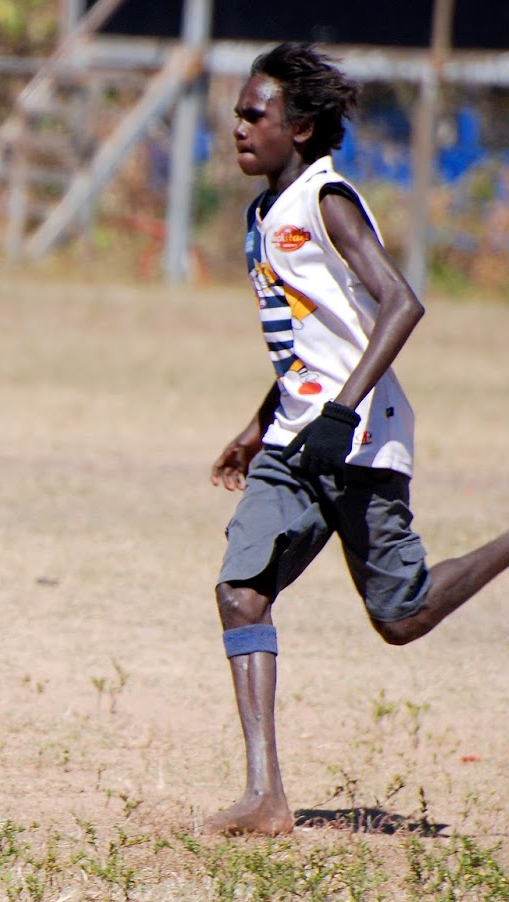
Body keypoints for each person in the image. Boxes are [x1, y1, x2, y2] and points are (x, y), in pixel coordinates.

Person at [205, 42, 509, 836]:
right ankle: (265, 797)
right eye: (238, 112)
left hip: (360, 436)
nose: (238, 125)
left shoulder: (326, 198)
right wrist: (259, 422)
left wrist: (340, 411)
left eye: (253, 114)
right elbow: (312, 339)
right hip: (300, 437)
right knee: (242, 591)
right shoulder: (263, 215)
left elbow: (401, 302)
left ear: (298, 127)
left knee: (401, 617)